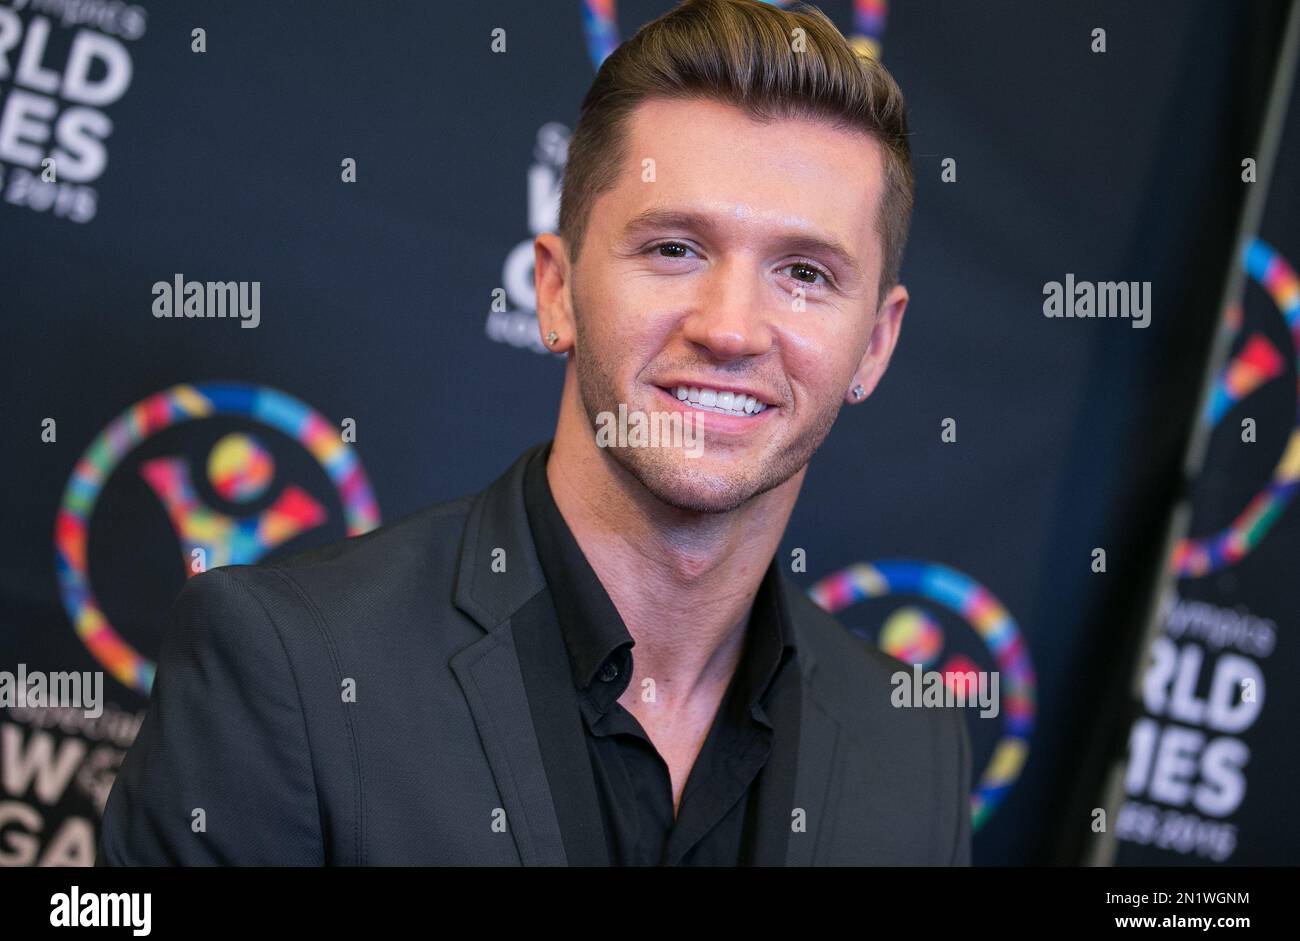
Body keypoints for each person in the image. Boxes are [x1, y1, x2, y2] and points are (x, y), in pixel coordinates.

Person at [98, 0, 971, 866]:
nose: (732, 328)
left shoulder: (916, 748)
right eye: (675, 249)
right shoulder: (287, 667)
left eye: (806, 273)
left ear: (877, 344)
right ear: (555, 290)